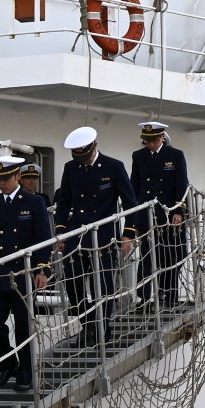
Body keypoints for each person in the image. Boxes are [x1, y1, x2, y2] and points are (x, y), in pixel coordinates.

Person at [52, 126, 137, 346]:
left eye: (86, 155)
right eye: (79, 157)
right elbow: (63, 202)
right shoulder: (71, 168)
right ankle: (88, 322)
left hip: (105, 235)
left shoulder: (114, 167)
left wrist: (127, 235)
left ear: (95, 146)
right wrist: (60, 231)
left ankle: (102, 327)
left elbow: (130, 203)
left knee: (105, 284)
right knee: (72, 280)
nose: (84, 161)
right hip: (77, 235)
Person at [0, 155, 52, 389]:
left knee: (23, 325)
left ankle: (26, 372)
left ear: (18, 176)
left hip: (24, 274)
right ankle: (8, 366)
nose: (2, 183)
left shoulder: (34, 202)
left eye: (6, 178)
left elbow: (43, 239)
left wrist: (43, 270)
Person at [130, 121, 192, 307]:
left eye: (153, 140)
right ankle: (144, 298)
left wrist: (179, 211)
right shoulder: (138, 156)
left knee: (174, 255)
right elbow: (135, 184)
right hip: (147, 214)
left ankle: (169, 294)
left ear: (162, 137)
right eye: (147, 141)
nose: (150, 144)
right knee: (147, 257)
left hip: (170, 214)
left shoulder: (175, 155)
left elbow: (181, 185)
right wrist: (133, 215)